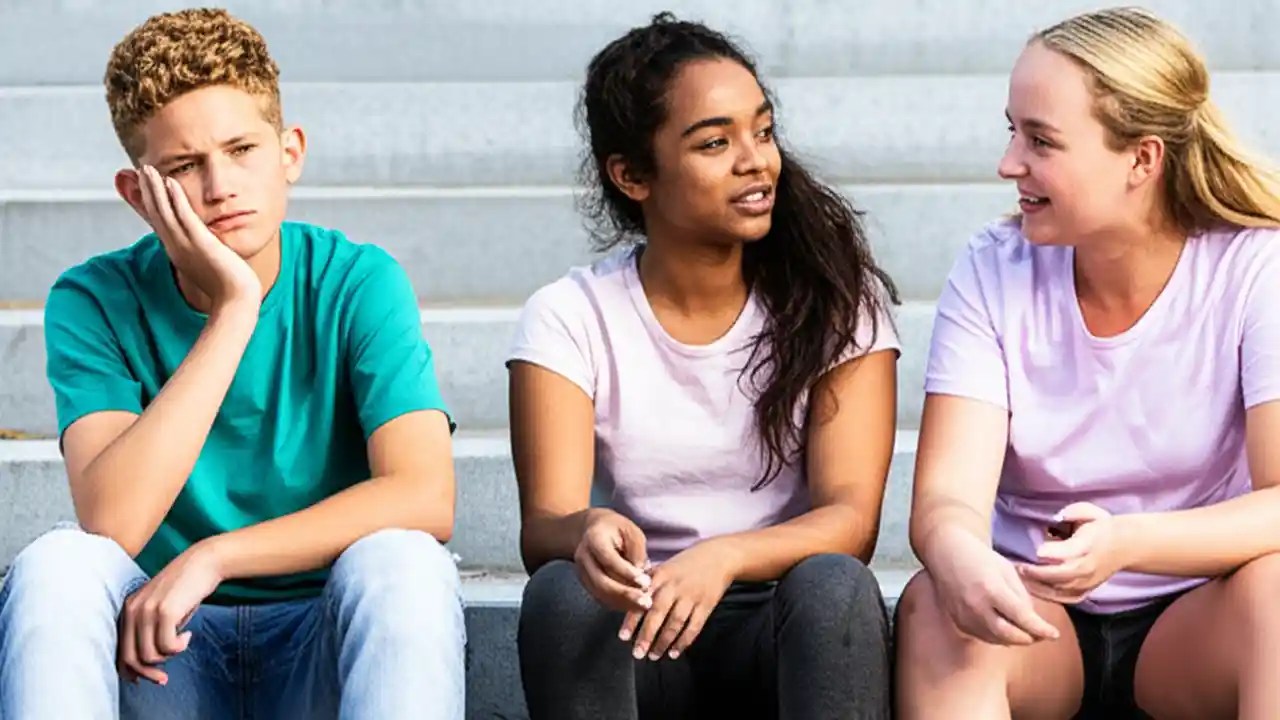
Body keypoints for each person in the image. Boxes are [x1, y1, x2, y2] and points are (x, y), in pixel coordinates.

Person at [0, 9, 463, 719]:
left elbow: (425, 495)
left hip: (320, 638)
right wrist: (233, 311)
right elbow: (114, 524)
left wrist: (216, 556)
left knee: (404, 563)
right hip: (157, 654)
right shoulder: (92, 298)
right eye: (183, 167)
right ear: (136, 194)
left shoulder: (359, 281)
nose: (220, 188)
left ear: (290, 153)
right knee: (55, 568)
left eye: (241, 149)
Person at [508, 13, 900, 720]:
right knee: (563, 595)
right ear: (632, 176)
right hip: (644, 625)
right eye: (716, 143)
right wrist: (588, 529)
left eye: (764, 129)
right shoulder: (570, 314)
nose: (756, 160)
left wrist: (723, 556)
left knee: (836, 586)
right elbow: (545, 525)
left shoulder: (837, 300)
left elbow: (852, 520)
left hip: (778, 622)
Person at [895, 7, 1280, 719]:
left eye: (1040, 140)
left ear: (1142, 159)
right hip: (1039, 625)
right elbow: (946, 499)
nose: (1008, 163)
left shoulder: (1255, 268)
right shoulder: (992, 268)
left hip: (1195, 620)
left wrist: (1130, 541)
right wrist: (957, 555)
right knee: (937, 606)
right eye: (1011, 130)